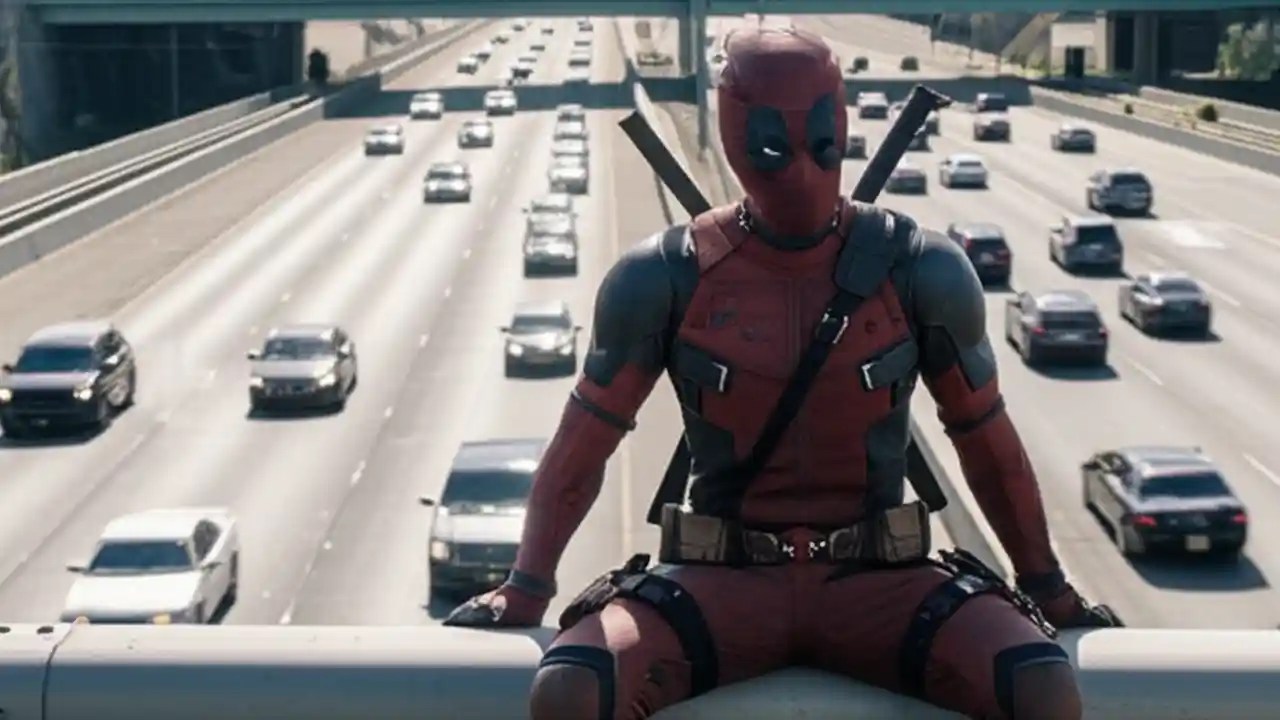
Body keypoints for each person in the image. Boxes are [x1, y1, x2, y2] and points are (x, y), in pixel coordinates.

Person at [445, 26, 1120, 720]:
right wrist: (526, 587)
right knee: (571, 689)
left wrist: (1048, 586)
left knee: (1037, 683)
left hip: (882, 584)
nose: (800, 169)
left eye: (819, 144)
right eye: (775, 146)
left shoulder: (921, 270)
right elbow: (584, 445)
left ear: (843, 124)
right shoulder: (664, 277)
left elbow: (984, 440)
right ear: (741, 136)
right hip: (724, 584)